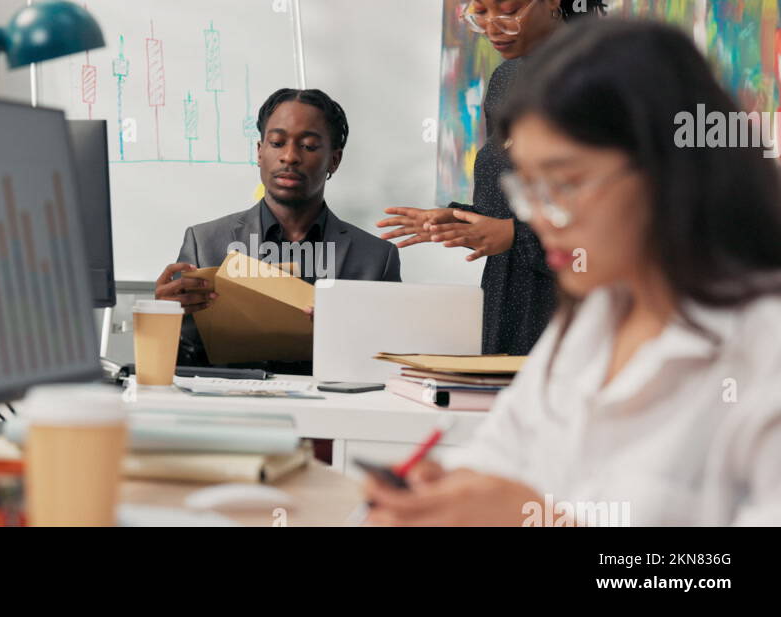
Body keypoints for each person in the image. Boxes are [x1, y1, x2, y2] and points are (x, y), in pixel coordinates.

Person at [365, 19, 781, 526]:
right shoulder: (595, 319)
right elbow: (500, 455)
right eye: (529, 189)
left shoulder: (763, 348)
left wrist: (541, 519)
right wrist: (444, 490)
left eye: (564, 184)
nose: (538, 218)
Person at [377, 0, 606, 356]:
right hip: (507, 297)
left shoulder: (599, 78)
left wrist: (515, 235)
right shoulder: (506, 79)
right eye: (479, 12)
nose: (492, 26)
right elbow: (508, 206)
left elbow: (621, 214)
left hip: (577, 305)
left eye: (510, 11)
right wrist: (460, 221)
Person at [155, 88, 401, 370]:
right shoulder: (205, 242)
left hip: (331, 407)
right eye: (276, 143)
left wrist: (347, 334)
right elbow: (181, 363)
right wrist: (162, 317)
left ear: (334, 160)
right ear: (260, 152)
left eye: (308, 146)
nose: (289, 157)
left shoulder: (375, 258)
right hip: (235, 408)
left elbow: (391, 362)